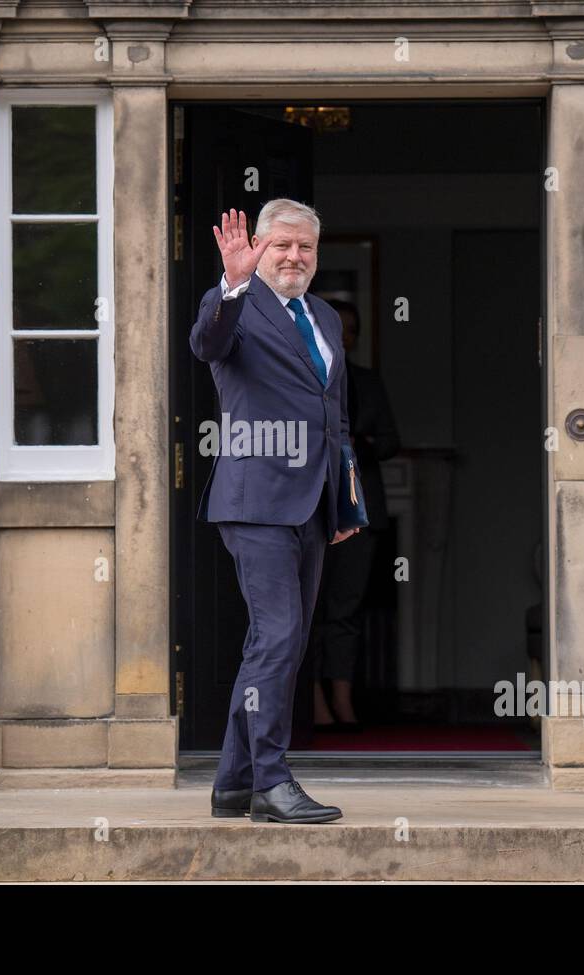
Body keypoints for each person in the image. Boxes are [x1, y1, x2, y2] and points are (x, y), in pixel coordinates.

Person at [190, 200, 358, 824]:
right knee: (278, 638)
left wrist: (345, 499)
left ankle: (234, 785)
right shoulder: (234, 305)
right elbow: (206, 342)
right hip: (256, 499)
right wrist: (231, 283)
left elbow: (334, 415)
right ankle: (271, 781)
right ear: (257, 247)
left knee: (277, 641)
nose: (293, 257)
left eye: (305, 248)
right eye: (281, 245)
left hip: (313, 503)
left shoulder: (324, 318)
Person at [310, 300, 401, 732]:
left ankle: (342, 701)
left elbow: (389, 441)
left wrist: (359, 441)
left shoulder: (368, 381)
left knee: (346, 608)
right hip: (309, 505)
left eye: (351, 330)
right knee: (305, 608)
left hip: (361, 507)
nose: (343, 336)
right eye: (337, 328)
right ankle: (313, 704)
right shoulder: (304, 373)